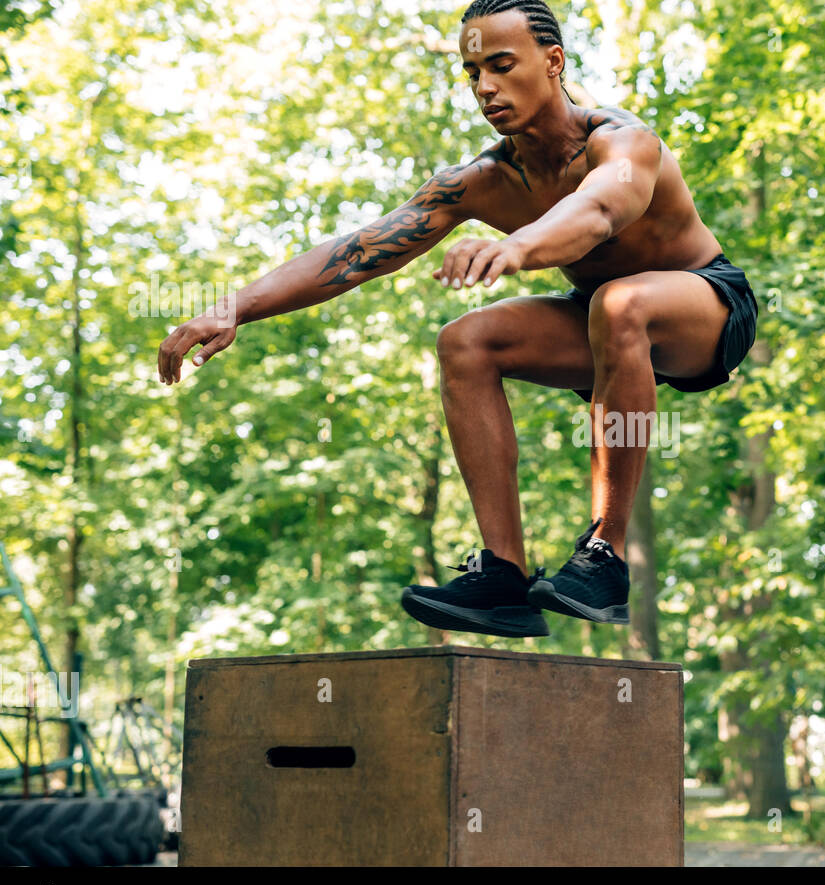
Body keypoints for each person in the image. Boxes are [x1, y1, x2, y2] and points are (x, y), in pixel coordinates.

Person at [157, 0, 759, 639]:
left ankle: (604, 556)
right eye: (473, 73)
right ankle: (503, 575)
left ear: (553, 62)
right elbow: (358, 252)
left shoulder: (622, 142)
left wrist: (517, 247)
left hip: (707, 309)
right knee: (466, 340)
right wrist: (235, 308)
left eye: (502, 66)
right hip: (599, 326)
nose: (486, 88)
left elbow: (600, 212)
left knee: (623, 302)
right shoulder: (482, 182)